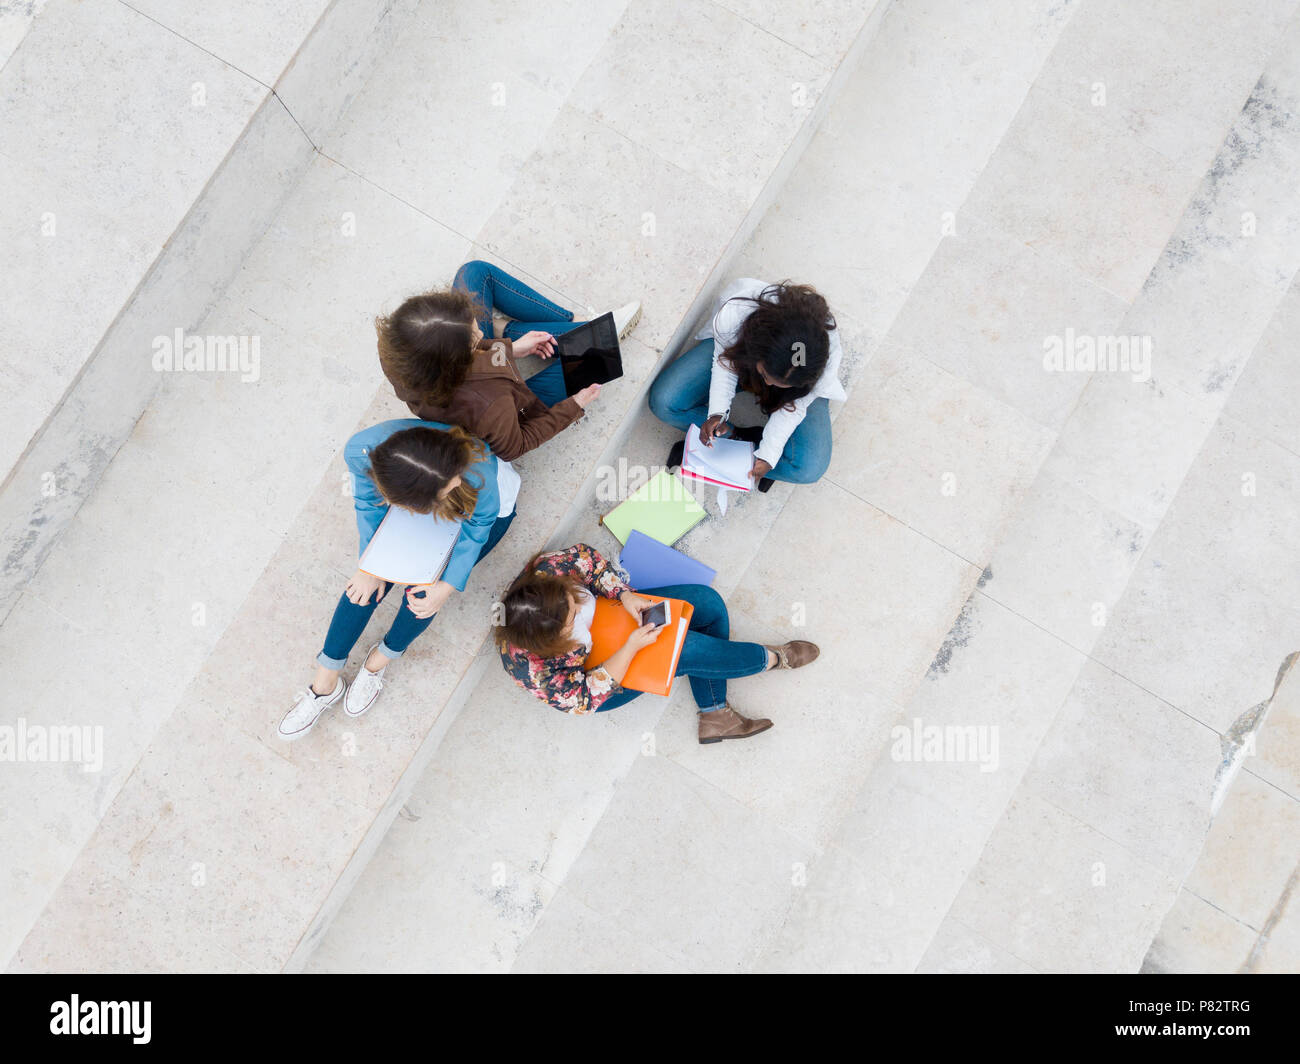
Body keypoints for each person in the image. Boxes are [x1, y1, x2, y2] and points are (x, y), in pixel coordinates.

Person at [278, 419, 517, 740]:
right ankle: (324, 684)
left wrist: (446, 586)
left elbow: (480, 523)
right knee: (365, 585)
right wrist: (369, 564)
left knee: (424, 598)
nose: (454, 482)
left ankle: (378, 660)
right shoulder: (362, 451)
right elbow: (366, 501)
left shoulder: (475, 469)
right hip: (421, 495)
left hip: (480, 514)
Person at [495, 543, 819, 744]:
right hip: (604, 675)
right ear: (549, 640)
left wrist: (624, 594)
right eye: (571, 619)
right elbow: (583, 700)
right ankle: (773, 659)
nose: (579, 607)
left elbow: (589, 562)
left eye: (573, 598)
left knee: (707, 603)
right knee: (687, 648)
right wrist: (630, 648)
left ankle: (715, 713)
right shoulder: (537, 671)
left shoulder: (547, 572)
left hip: (617, 617)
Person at [377, 260, 640, 462]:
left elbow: (474, 351)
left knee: (475, 272)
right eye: (474, 333)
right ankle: (587, 331)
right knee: (598, 352)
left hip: (464, 376)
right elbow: (516, 446)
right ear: (459, 359)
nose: (480, 329)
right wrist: (573, 407)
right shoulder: (492, 404)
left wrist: (509, 348)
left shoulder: (395, 346)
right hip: (518, 409)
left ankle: (566, 327)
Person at [648, 278, 845, 492]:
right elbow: (725, 366)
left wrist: (769, 455)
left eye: (780, 384)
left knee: (808, 468)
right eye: (766, 376)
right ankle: (734, 441)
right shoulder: (736, 313)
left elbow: (794, 408)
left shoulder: (820, 362)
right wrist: (717, 414)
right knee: (665, 402)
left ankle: (721, 455)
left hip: (797, 390)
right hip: (740, 358)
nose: (769, 384)